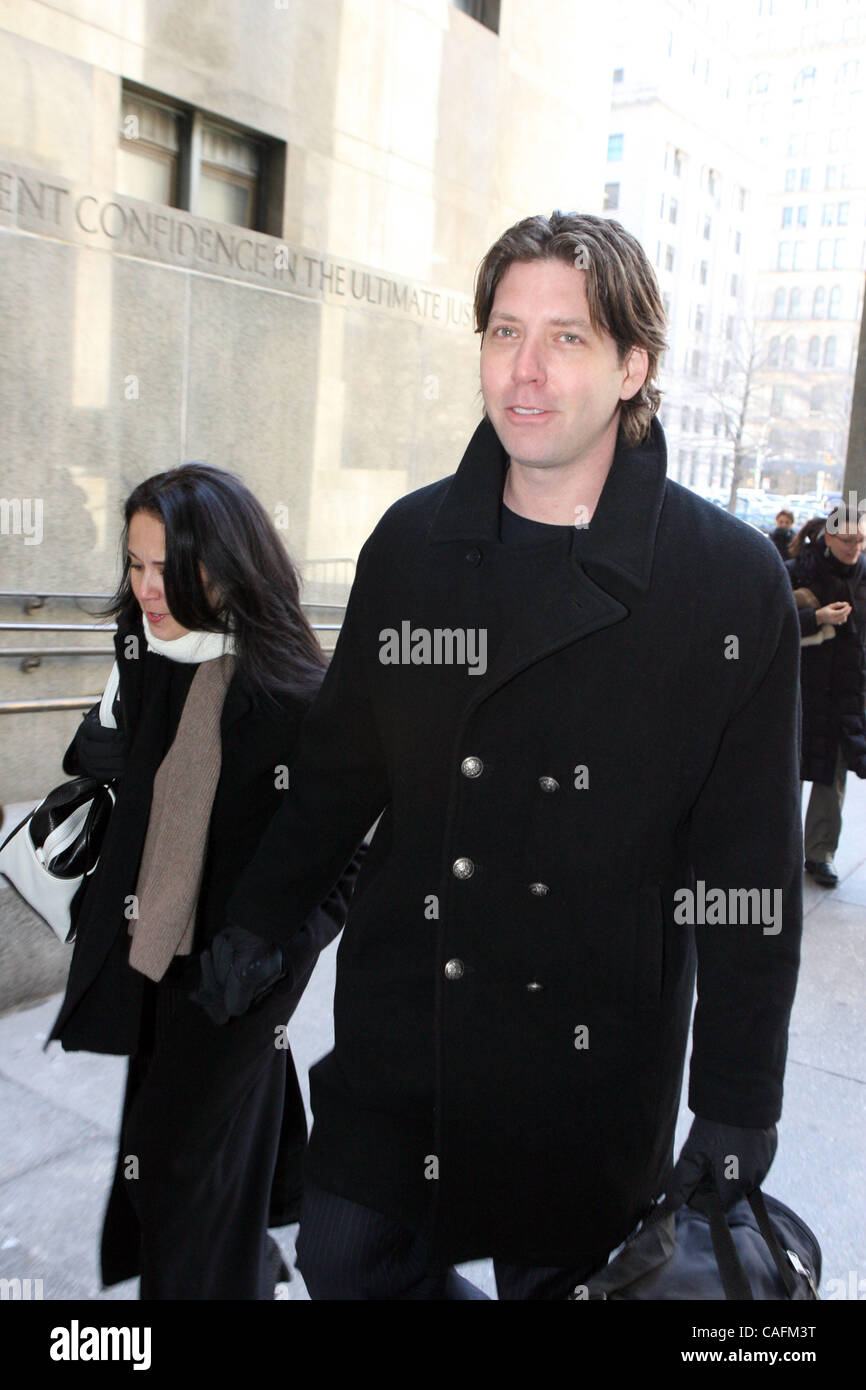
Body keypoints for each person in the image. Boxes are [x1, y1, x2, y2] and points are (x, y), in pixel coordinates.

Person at [196, 212, 803, 1300]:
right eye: (502, 331)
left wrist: (736, 1096)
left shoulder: (725, 579)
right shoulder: (410, 540)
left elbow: (745, 870)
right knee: (341, 1255)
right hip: (405, 1023)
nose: (523, 373)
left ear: (631, 365)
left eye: (566, 338)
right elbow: (339, 770)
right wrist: (257, 919)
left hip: (587, 1057)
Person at [48, 464, 361, 1299]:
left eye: (167, 569)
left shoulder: (296, 694)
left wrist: (269, 948)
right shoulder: (151, 656)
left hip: (239, 976)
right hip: (152, 952)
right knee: (182, 1159)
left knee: (179, 1168)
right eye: (135, 564)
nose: (147, 589)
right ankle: (244, 1260)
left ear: (224, 569)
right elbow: (123, 772)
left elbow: (345, 857)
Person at [786, 508, 866, 888]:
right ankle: (778, 850)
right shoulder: (794, 571)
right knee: (785, 772)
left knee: (831, 775)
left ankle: (820, 854)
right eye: (848, 540)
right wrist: (816, 618)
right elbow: (769, 626)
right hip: (796, 689)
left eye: (861, 540)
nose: (856, 548)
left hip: (844, 692)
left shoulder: (864, 577)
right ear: (829, 538)